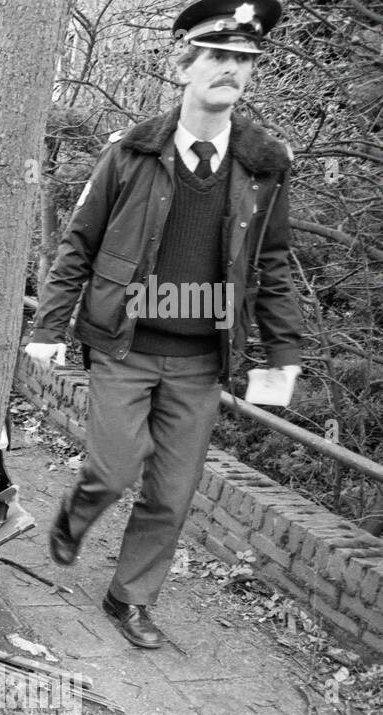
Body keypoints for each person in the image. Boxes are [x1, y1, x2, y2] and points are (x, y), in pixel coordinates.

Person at [25, 0, 302, 650]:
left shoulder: (265, 164)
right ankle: (78, 511)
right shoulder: (131, 151)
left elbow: (275, 262)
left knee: (173, 492)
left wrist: (280, 355)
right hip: (125, 345)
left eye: (244, 60)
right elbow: (79, 245)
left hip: (202, 361)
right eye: (218, 56)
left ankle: (131, 596)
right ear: (184, 63)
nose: (231, 70)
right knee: (115, 470)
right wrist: (48, 327)